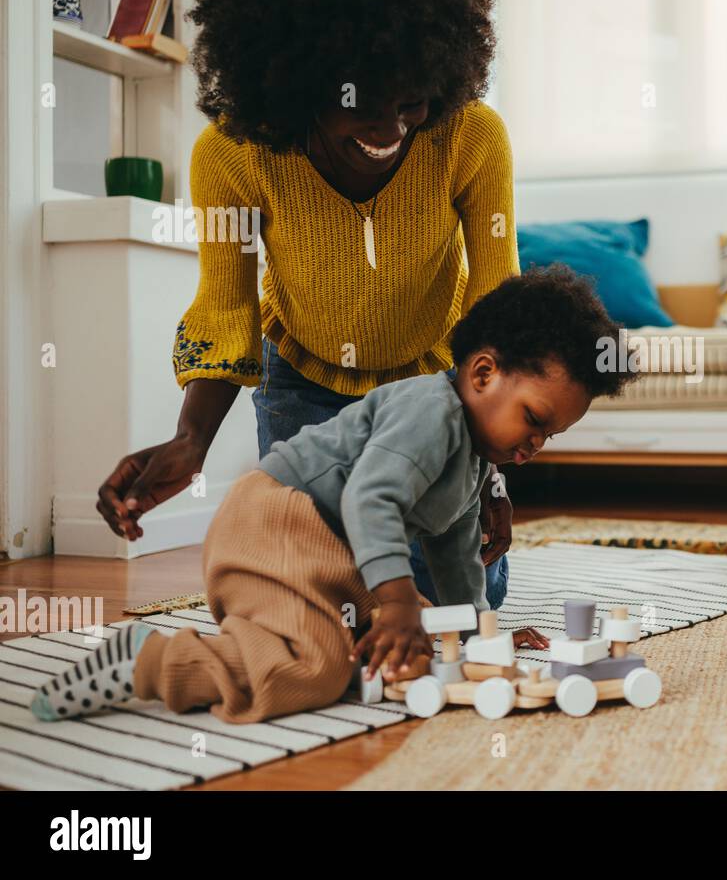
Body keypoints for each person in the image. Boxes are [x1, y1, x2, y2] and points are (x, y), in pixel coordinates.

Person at [95, 0, 519, 609]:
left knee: (460, 600)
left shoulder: (471, 136)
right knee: (311, 590)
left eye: (409, 101)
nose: (390, 131)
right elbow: (227, 311)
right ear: (289, 85)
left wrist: (488, 473)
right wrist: (189, 441)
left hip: (433, 386)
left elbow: (496, 309)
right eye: (363, 108)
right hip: (304, 387)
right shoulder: (234, 154)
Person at [33, 269, 638, 724]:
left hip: (330, 554)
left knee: (421, 642)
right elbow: (370, 500)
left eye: (549, 435)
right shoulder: (431, 411)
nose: (535, 443)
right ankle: (149, 657)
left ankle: (298, 632)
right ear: (483, 374)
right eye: (534, 419)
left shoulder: (474, 461)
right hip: (278, 524)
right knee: (315, 669)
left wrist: (480, 632)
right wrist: (397, 599)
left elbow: (456, 558)